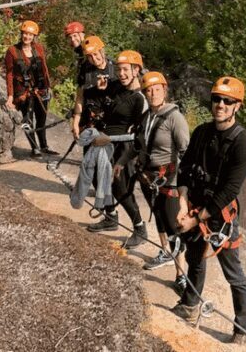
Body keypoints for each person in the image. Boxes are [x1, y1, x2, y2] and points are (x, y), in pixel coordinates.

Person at [172, 76, 246, 346]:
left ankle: (242, 329)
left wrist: (196, 219)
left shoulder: (242, 143)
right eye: (217, 99)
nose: (220, 104)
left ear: (237, 106)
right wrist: (182, 203)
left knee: (234, 274)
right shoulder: (202, 133)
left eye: (227, 101)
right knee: (195, 259)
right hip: (194, 205)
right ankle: (189, 304)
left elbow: (230, 190)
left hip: (219, 217)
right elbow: (184, 168)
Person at [85, 50, 149, 249]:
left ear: (136, 70)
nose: (121, 74)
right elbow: (92, 97)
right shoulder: (115, 87)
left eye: (125, 70)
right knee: (97, 177)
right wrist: (100, 90)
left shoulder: (140, 98)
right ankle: (111, 216)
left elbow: (139, 133)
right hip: (105, 142)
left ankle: (139, 227)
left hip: (124, 147)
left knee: (120, 187)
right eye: (119, 70)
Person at [136, 72, 190, 294]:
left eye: (157, 89)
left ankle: (181, 274)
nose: (152, 93)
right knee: (158, 217)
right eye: (148, 90)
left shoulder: (174, 117)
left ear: (165, 90)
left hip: (169, 178)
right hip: (149, 177)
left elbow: (185, 150)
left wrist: (184, 185)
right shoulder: (147, 116)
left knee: (173, 226)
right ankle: (165, 252)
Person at [4, 20, 57, 157]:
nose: (27, 37)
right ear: (21, 34)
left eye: (30, 35)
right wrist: (10, 96)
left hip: (40, 89)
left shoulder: (38, 48)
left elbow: (44, 68)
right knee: (27, 120)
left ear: (34, 36)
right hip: (23, 91)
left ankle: (44, 146)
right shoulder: (12, 51)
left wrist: (48, 86)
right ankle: (35, 148)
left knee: (41, 119)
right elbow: (9, 74)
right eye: (25, 34)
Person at [63, 21, 85, 85]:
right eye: (70, 37)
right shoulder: (78, 53)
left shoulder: (89, 50)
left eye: (75, 36)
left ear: (82, 35)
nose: (72, 39)